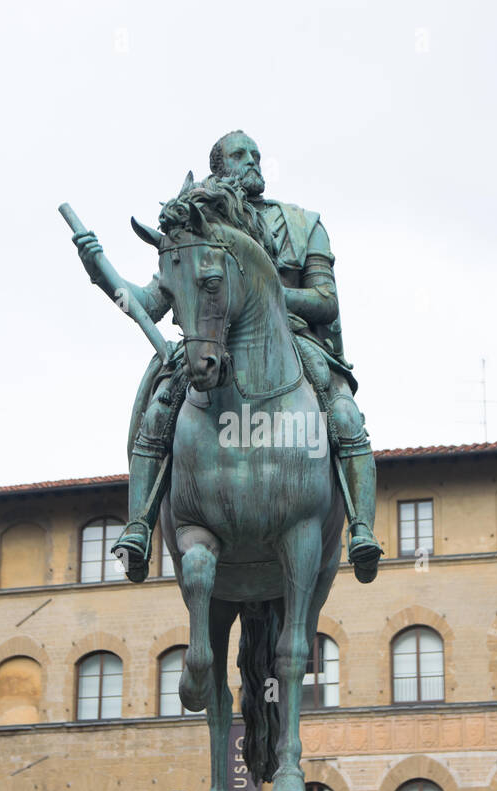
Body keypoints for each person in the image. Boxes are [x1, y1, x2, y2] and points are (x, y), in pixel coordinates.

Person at [72, 130, 382, 583]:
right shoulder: (193, 231)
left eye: (256, 155)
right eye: (240, 155)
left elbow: (325, 301)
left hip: (289, 342)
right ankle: (138, 525)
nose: (252, 162)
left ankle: (360, 529)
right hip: (206, 339)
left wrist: (269, 295)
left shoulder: (301, 223)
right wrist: (101, 273)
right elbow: (150, 301)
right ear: (219, 168)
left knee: (345, 413)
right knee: (160, 407)